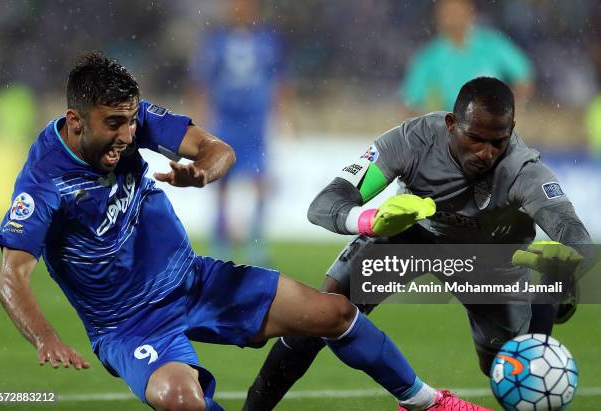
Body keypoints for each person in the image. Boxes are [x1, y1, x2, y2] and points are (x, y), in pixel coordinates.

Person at [0, 53, 491, 411]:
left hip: (192, 280)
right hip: (129, 325)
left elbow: (217, 148)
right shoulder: (43, 183)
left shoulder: (133, 122)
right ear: (74, 120)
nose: (128, 137)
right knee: (179, 398)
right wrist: (45, 338)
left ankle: (428, 404)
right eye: (115, 125)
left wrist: (202, 171)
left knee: (335, 311)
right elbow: (12, 276)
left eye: (130, 122)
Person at [244, 77, 590, 410]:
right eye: (475, 138)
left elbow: (571, 229)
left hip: (489, 258)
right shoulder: (412, 141)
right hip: (412, 238)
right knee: (320, 314)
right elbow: (324, 205)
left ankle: (553, 295)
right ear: (452, 123)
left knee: (510, 368)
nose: (486, 153)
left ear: (510, 132)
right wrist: (368, 221)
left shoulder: (522, 169)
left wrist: (568, 260)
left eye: (497, 142)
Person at [190, 0, 293, 264]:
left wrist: (284, 115)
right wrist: (199, 118)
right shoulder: (216, 42)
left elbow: (278, 80)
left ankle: (256, 241)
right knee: (220, 177)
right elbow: (204, 81)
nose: (239, 8)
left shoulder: (268, 41)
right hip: (225, 119)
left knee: (259, 179)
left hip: (255, 121)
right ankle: (220, 239)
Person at [400, 0, 533, 114]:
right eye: (447, 12)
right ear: (437, 17)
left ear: (470, 12)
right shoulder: (428, 58)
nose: (452, 17)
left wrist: (512, 111)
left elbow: (524, 77)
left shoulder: (491, 44)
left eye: (457, 11)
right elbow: (409, 105)